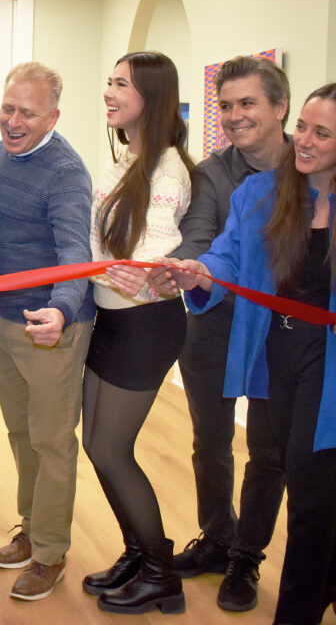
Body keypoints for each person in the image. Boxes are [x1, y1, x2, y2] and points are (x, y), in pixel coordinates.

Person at [159, 84, 336, 625]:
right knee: (306, 479)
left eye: (321, 133)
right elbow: (227, 257)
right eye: (303, 127)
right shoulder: (259, 193)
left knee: (309, 490)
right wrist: (200, 272)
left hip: (327, 363)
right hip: (276, 353)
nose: (304, 140)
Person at [154, 56, 288, 612]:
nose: (234, 116)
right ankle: (217, 537)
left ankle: (245, 556)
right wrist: (186, 266)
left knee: (268, 450)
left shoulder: (310, 170)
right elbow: (202, 240)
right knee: (210, 440)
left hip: (280, 332)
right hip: (213, 320)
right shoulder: (210, 173)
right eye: (226, 106)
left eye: (247, 103)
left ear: (280, 107)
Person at [0, 62, 95, 601]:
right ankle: (31, 529)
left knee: (51, 441)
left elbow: (75, 252)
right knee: (21, 435)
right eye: (8, 108)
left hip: (52, 328)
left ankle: (50, 552)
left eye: (27, 112)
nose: (13, 121)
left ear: (53, 117)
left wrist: (62, 310)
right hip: (7, 319)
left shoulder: (66, 173)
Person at [81, 51, 193, 615]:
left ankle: (161, 574)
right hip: (112, 318)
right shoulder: (126, 157)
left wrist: (139, 271)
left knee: (111, 448)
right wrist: (106, 269)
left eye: (121, 84)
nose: (108, 91)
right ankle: (137, 553)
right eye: (109, 81)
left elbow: (156, 248)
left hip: (145, 326)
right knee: (94, 443)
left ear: (151, 96)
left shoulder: (167, 170)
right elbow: (98, 245)